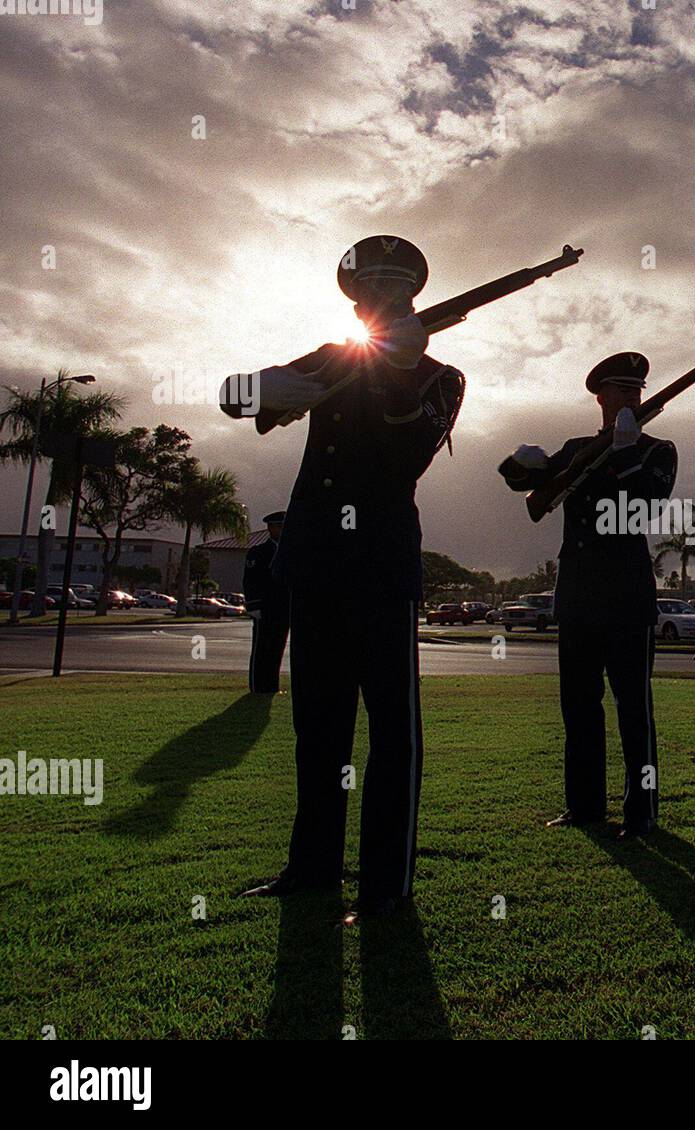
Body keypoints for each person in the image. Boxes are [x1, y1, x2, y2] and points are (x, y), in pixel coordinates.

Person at [219, 234, 464, 918]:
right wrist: (257, 386)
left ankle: (389, 887)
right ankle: (313, 868)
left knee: (392, 734)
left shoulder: (438, 376)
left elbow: (406, 457)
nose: (373, 305)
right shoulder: (333, 359)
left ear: (411, 298)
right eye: (364, 295)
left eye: (388, 293)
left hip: (380, 568)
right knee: (318, 730)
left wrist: (397, 368)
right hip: (317, 563)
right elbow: (237, 403)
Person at [498, 352, 677, 840]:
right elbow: (524, 486)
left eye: (637, 392)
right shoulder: (577, 447)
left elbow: (645, 510)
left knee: (634, 710)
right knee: (578, 706)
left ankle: (642, 812)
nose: (632, 399)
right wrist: (519, 461)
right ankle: (584, 806)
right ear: (601, 397)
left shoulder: (657, 451)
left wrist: (621, 455)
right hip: (578, 594)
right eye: (623, 392)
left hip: (626, 596)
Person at [243, 510, 289, 694]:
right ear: (270, 528)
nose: (282, 530)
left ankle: (272, 686)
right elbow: (250, 580)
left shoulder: (289, 551)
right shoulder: (259, 552)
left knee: (277, 648)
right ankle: (258, 686)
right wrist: (254, 605)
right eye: (279, 526)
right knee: (262, 648)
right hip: (266, 607)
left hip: (284, 608)